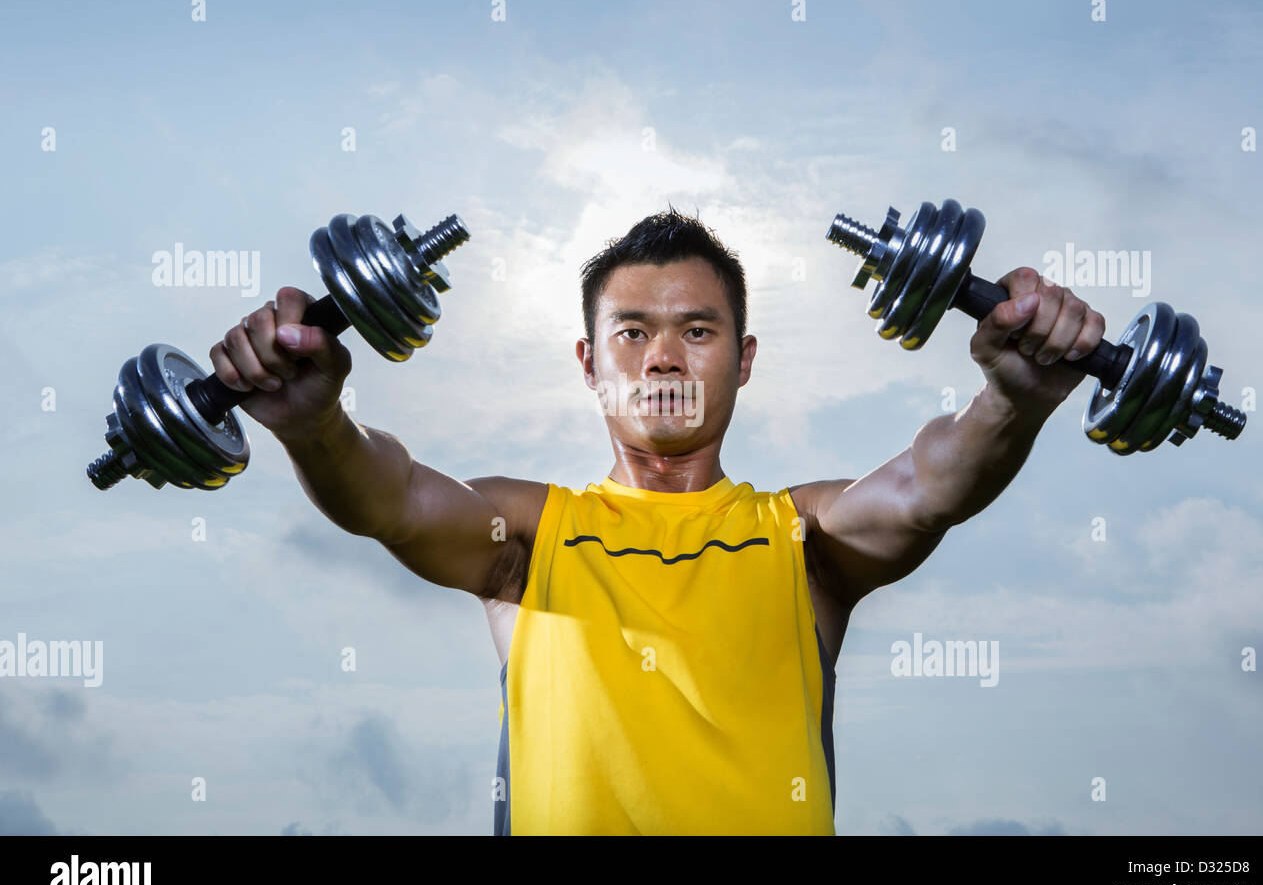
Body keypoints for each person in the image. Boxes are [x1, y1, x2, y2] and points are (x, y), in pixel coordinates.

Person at [209, 207, 1105, 835]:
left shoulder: (807, 540)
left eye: (699, 331)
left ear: (744, 360)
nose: (664, 355)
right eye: (631, 332)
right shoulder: (527, 536)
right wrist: (316, 424)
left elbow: (927, 488)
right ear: (588, 362)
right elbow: (390, 497)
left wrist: (1011, 402)